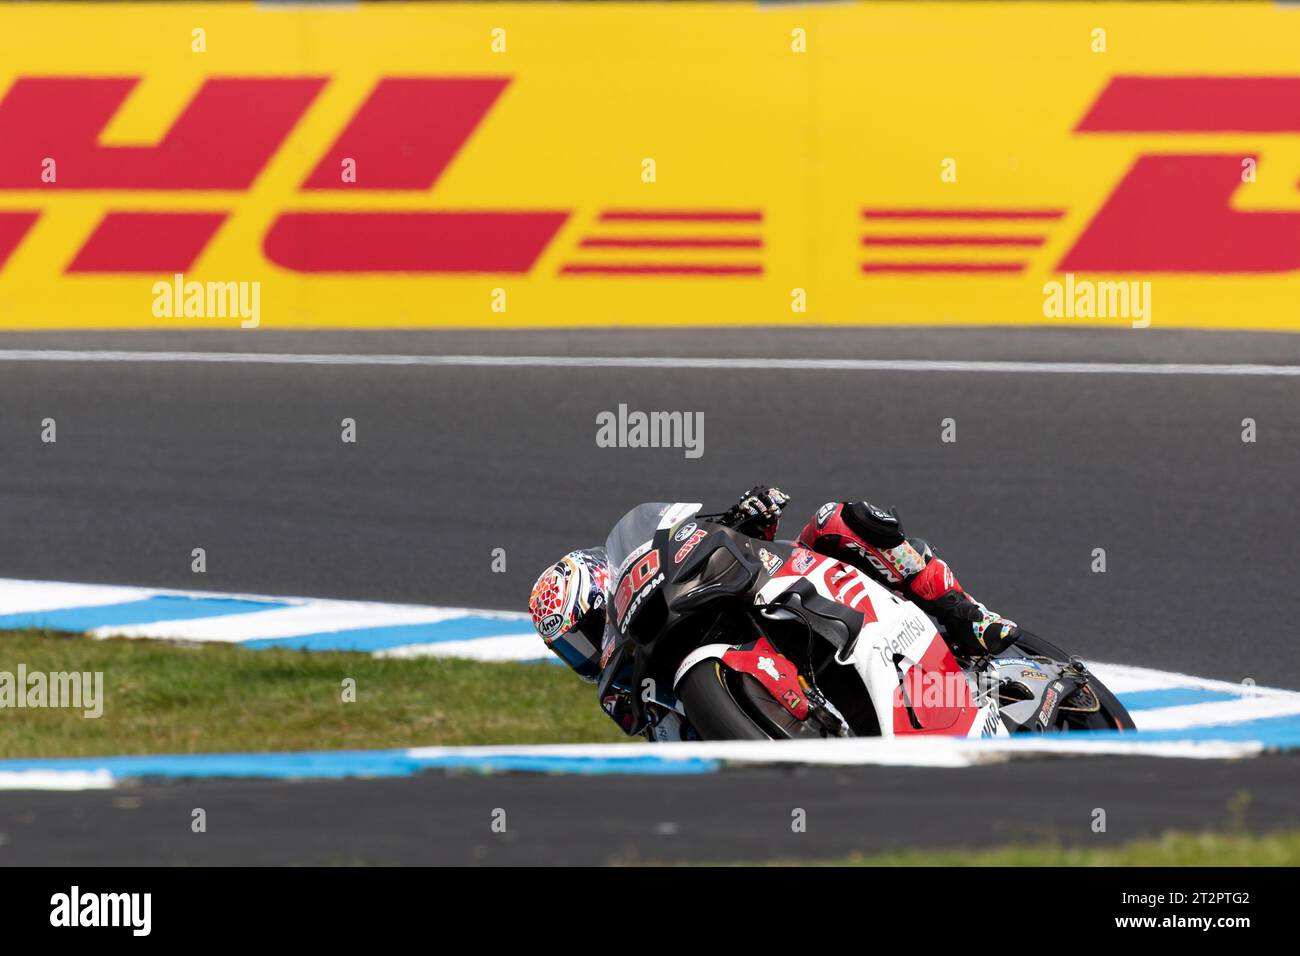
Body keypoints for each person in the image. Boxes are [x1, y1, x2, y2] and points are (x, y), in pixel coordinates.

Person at [527, 486, 1019, 736]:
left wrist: (751, 516)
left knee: (841, 519)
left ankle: (965, 612)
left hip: (805, 588)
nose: (589, 651)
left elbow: (746, 545)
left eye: (588, 629)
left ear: (608, 586)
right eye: (572, 649)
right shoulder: (625, 699)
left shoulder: (669, 581)